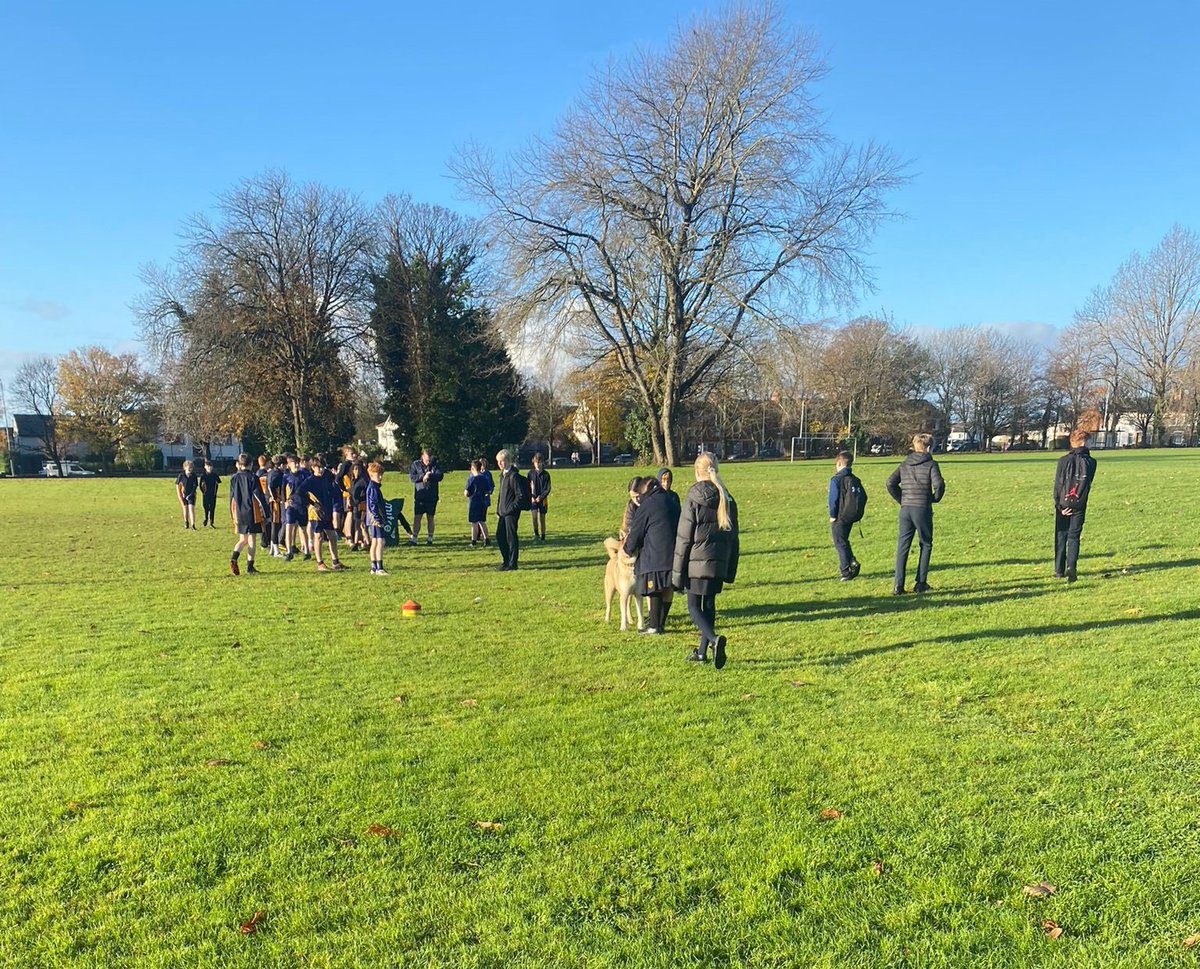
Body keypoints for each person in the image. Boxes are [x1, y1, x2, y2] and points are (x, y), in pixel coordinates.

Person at [673, 451, 739, 669]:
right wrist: (730, 568)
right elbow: (734, 538)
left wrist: (677, 574)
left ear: (696, 471)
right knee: (709, 604)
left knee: (693, 606)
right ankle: (702, 653)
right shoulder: (727, 498)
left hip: (696, 562)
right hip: (719, 562)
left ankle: (713, 639)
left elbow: (684, 538)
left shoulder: (694, 498)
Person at [885, 433, 945, 595]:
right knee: (926, 544)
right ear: (929, 448)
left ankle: (898, 585)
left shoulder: (905, 464)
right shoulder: (931, 464)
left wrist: (902, 499)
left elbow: (890, 483)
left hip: (906, 509)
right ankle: (920, 583)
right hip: (922, 508)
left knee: (903, 546)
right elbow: (939, 484)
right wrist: (934, 498)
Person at [624, 474, 681, 635]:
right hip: (675, 554)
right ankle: (661, 623)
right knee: (667, 588)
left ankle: (654, 625)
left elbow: (636, 531)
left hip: (655, 554)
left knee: (654, 588)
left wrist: (628, 549)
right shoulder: (672, 501)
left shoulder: (648, 505)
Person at [1054, 429, 1097, 583]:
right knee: (1074, 536)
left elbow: (1058, 484)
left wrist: (1058, 505)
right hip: (1080, 502)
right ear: (1085, 443)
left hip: (1064, 502)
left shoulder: (1063, 461)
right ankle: (1071, 566)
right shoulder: (1091, 462)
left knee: (1061, 535)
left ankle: (1059, 570)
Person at [299, 453, 348, 572]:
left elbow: (336, 481)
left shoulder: (327, 476)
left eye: (322, 467)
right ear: (313, 467)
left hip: (327, 510)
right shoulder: (310, 480)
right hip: (316, 513)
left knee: (332, 536)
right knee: (319, 536)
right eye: (318, 467)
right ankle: (320, 562)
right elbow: (299, 493)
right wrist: (312, 503)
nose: (320, 470)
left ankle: (335, 561)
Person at [228, 453, 272, 575]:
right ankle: (250, 567)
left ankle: (234, 558)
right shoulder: (253, 478)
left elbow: (231, 498)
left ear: (239, 464)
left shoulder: (234, 478)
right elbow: (259, 496)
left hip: (239, 512)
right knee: (252, 539)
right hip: (252, 512)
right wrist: (266, 513)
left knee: (243, 539)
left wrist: (232, 514)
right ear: (251, 464)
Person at [829, 451, 863, 581]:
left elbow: (833, 499)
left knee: (839, 542)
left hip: (840, 516)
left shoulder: (836, 480)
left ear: (839, 463)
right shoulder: (855, 479)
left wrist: (833, 515)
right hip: (851, 515)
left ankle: (846, 571)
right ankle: (852, 561)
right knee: (844, 540)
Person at [494, 448, 525, 571]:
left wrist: (511, 508)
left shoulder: (513, 475)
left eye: (502, 461)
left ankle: (513, 563)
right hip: (503, 512)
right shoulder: (502, 476)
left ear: (508, 461)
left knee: (511, 537)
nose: (500, 464)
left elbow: (520, 495)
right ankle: (506, 560)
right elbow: (501, 495)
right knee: (499, 535)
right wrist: (498, 509)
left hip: (511, 512)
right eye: (498, 461)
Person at [408, 448, 444, 546]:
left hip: (432, 496)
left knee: (430, 517)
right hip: (420, 496)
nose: (428, 462)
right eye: (427, 460)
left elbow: (440, 476)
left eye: (430, 460)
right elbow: (412, 477)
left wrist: (430, 475)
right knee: (417, 517)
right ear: (423, 456)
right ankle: (414, 539)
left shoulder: (435, 465)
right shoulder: (416, 464)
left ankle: (430, 538)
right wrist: (423, 476)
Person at [365, 461, 389, 575]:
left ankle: (373, 567)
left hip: (371, 519)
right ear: (371, 475)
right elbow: (373, 504)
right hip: (375, 519)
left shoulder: (373, 487)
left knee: (374, 541)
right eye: (378, 474)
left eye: (381, 474)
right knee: (380, 541)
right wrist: (378, 518)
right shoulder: (373, 488)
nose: (380, 477)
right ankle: (380, 567)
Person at [465, 459, 491, 546]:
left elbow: (466, 492)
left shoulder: (471, 479)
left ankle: (474, 541)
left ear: (473, 468)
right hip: (482, 502)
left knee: (474, 523)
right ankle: (486, 539)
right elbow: (488, 491)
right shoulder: (484, 479)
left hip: (473, 503)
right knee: (482, 521)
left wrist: (468, 494)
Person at [528, 452, 551, 541]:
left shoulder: (546, 474)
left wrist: (541, 497)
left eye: (539, 462)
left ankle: (543, 536)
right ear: (533, 463)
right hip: (533, 499)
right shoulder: (531, 473)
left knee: (542, 518)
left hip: (543, 500)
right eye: (536, 462)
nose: (537, 464)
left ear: (542, 462)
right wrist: (531, 496)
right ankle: (536, 533)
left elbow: (548, 488)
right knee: (534, 517)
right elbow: (527, 486)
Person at [266, 454, 286, 557]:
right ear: (281, 465)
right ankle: (276, 550)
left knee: (275, 525)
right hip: (274, 503)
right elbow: (271, 486)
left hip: (272, 501)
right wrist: (275, 497)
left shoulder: (271, 472)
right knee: (275, 525)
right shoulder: (277, 474)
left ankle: (272, 549)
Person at [349, 462, 368, 552]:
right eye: (355, 469)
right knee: (357, 525)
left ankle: (367, 542)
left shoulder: (363, 480)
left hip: (362, 504)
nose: (356, 471)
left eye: (358, 469)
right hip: (355, 505)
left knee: (362, 524)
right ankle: (356, 543)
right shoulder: (354, 480)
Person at [175, 459, 198, 530]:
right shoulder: (181, 476)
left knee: (191, 509)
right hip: (184, 495)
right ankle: (186, 522)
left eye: (191, 467)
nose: (190, 469)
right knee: (185, 509)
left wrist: (191, 495)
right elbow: (177, 485)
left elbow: (195, 486)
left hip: (191, 495)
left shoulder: (194, 476)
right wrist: (180, 496)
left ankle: (193, 525)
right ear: (185, 467)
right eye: (189, 467)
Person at [198, 459, 220, 528]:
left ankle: (211, 522)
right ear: (205, 467)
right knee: (206, 507)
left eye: (210, 466)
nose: (209, 468)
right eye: (208, 466)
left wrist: (215, 492)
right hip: (206, 494)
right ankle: (206, 519)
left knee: (212, 508)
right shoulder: (203, 475)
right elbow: (200, 485)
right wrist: (203, 492)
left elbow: (217, 483)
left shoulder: (215, 475)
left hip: (213, 494)